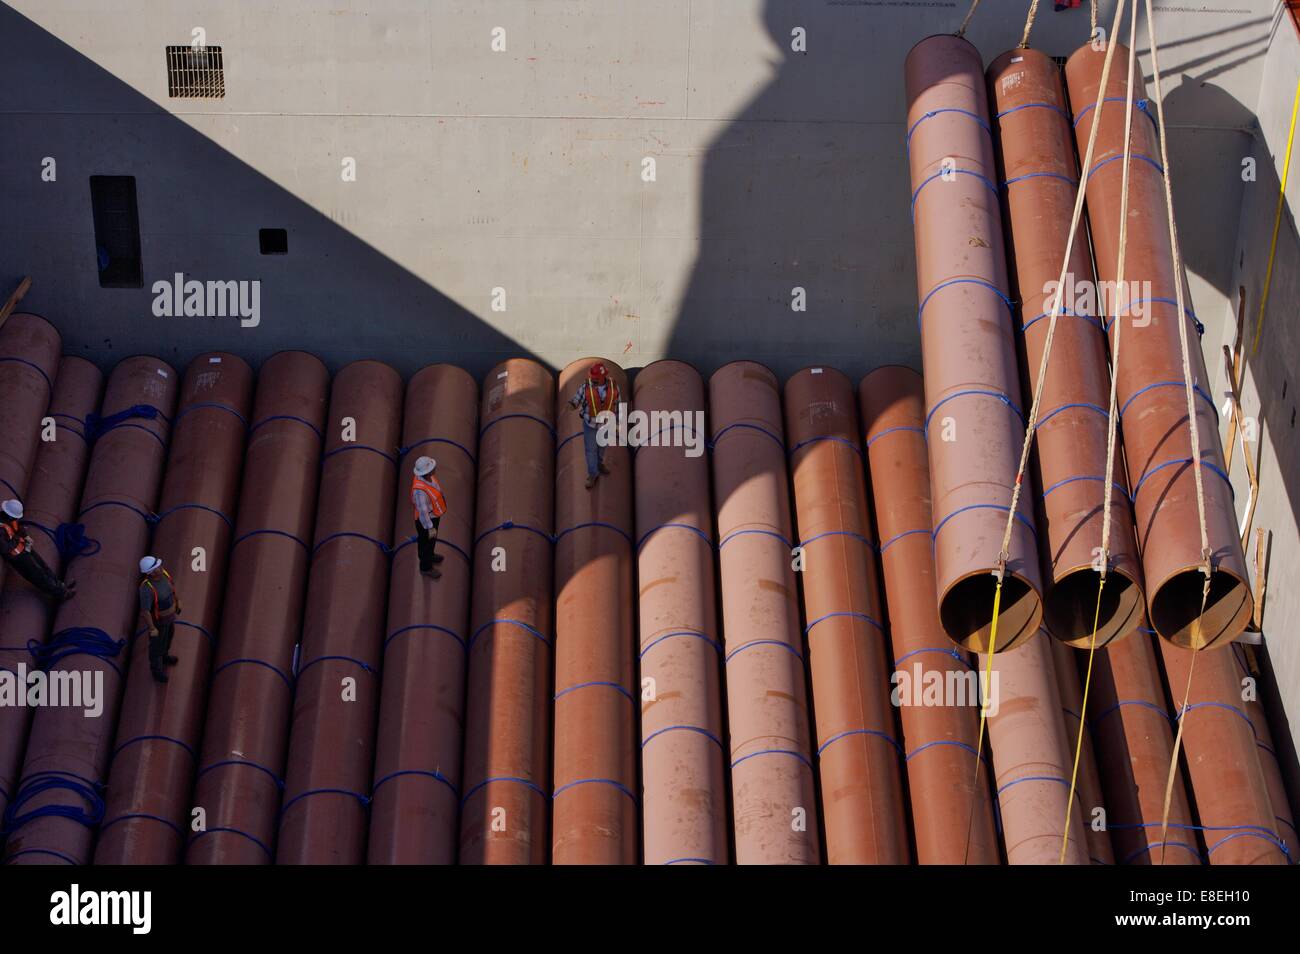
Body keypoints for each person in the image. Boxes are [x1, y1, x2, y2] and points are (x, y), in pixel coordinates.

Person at [0, 499, 75, 600]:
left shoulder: (10, 519)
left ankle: (60, 585)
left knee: (43, 567)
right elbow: (4, 548)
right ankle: (62, 593)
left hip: (24, 550)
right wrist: (21, 542)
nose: (15, 519)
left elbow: (18, 529)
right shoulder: (1, 529)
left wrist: (26, 537)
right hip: (17, 558)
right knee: (38, 575)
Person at [567, 361, 619, 490]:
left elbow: (617, 404)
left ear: (602, 378)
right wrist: (572, 405)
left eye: (595, 378)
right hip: (590, 424)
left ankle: (599, 464)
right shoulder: (586, 388)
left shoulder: (613, 388)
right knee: (591, 451)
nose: (592, 380)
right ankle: (593, 474)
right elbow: (576, 400)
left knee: (602, 447)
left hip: (606, 424)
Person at [138, 555, 181, 683]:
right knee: (156, 646)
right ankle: (156, 670)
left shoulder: (165, 575)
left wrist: (178, 602)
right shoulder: (147, 589)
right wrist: (152, 628)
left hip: (169, 617)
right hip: (159, 622)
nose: (161, 568)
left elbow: (172, 589)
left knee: (168, 637)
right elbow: (145, 611)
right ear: (150, 572)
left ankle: (165, 656)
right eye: (157, 567)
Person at [411, 456, 447, 580]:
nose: (434, 468)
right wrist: (430, 527)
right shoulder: (420, 491)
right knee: (426, 542)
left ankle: (430, 555)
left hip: (433, 516)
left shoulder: (429, 478)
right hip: (426, 522)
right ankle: (425, 568)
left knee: (431, 540)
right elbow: (423, 512)